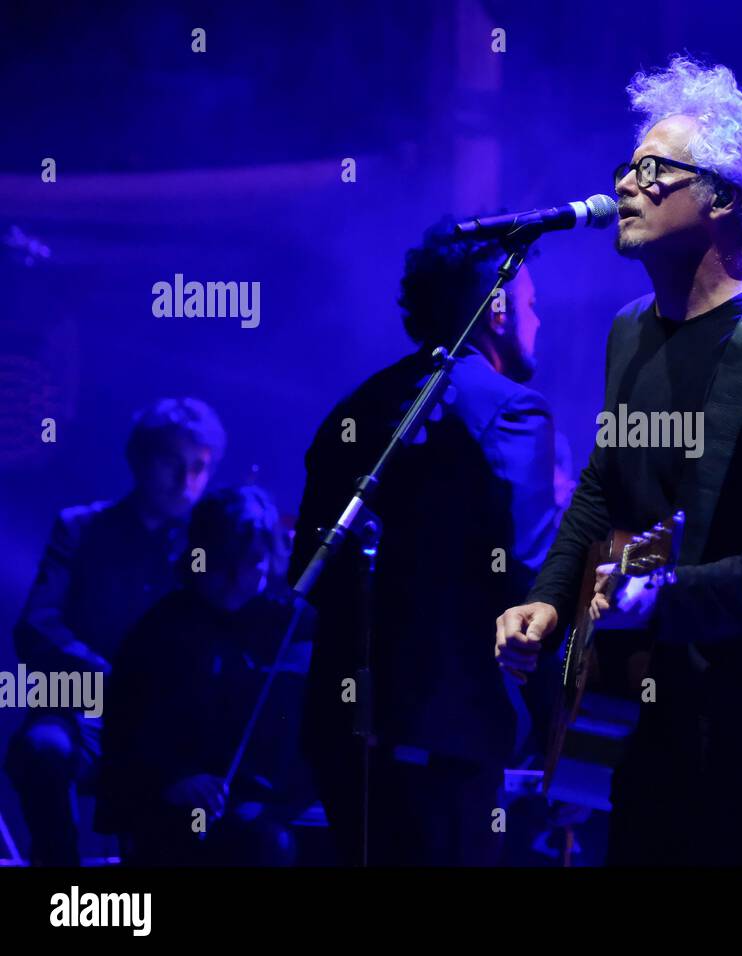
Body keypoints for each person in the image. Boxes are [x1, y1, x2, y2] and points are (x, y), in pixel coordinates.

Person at [495, 56, 742, 865]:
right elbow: (606, 485)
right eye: (627, 168)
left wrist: (657, 597)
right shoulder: (632, 329)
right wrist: (551, 599)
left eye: (654, 170)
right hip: (683, 690)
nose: (627, 186)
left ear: (721, 198)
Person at [289, 223, 559, 865]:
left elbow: (310, 570)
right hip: (448, 736)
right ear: (497, 310)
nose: (538, 320)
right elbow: (532, 581)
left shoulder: (354, 407)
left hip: (341, 730)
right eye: (530, 304)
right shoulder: (513, 411)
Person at [5, 397, 225, 865]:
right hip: (84, 714)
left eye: (200, 467)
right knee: (42, 749)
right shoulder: (81, 527)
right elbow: (37, 623)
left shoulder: (207, 546)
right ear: (139, 458)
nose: (187, 481)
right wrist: (110, 677)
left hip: (167, 726)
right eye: (173, 462)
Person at [95, 486, 312, 865]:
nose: (235, 579)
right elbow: (124, 729)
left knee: (268, 841)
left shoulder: (288, 624)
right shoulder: (162, 628)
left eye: (251, 564)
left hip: (258, 802)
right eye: (222, 564)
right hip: (166, 798)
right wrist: (172, 779)